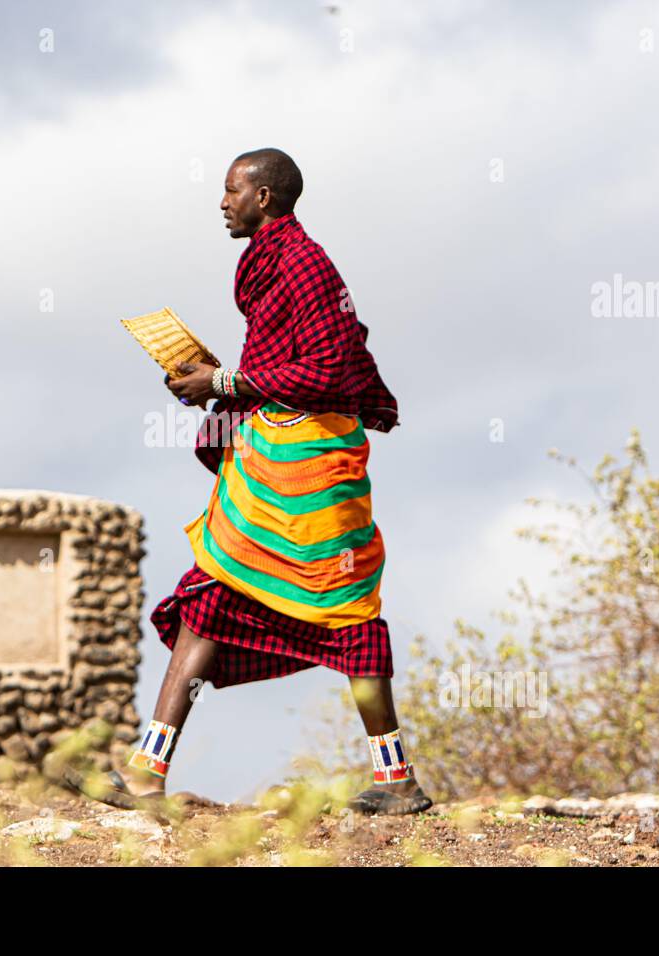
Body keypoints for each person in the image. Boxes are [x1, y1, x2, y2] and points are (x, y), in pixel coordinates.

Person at [89, 148, 432, 816]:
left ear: (266, 197)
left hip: (315, 467)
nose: (222, 202)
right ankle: (145, 771)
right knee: (209, 599)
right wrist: (213, 382)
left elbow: (330, 368)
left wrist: (223, 383)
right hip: (266, 460)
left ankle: (396, 780)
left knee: (347, 616)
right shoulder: (274, 260)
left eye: (231, 191)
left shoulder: (305, 263)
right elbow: (282, 359)